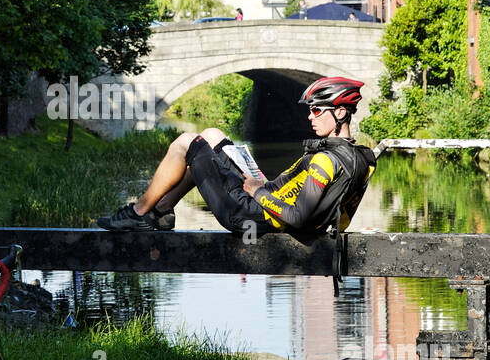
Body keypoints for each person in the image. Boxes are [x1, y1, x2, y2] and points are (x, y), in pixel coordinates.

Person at [96, 76, 376, 239]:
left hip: (250, 217)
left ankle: (139, 212)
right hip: (264, 203)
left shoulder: (325, 161)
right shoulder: (363, 158)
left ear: (340, 112)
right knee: (213, 135)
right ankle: (161, 212)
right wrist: (267, 186)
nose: (309, 116)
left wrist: (258, 192)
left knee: (187, 143)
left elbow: (298, 218)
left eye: (317, 110)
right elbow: (342, 221)